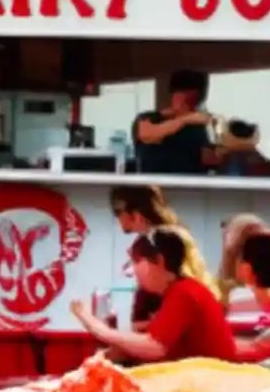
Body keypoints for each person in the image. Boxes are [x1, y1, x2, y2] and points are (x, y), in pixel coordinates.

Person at [71, 227, 236, 363]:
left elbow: (155, 347)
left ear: (159, 260)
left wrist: (96, 326)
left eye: (137, 261)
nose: (133, 270)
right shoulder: (179, 291)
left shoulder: (185, 293)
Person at [107, 185, 219, 331]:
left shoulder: (160, 242)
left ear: (135, 214)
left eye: (118, 211)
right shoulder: (175, 235)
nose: (118, 218)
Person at [132, 69, 220, 174]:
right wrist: (186, 119)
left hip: (188, 187)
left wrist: (224, 144)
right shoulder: (147, 117)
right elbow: (148, 134)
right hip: (155, 187)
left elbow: (208, 160)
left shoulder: (197, 126)